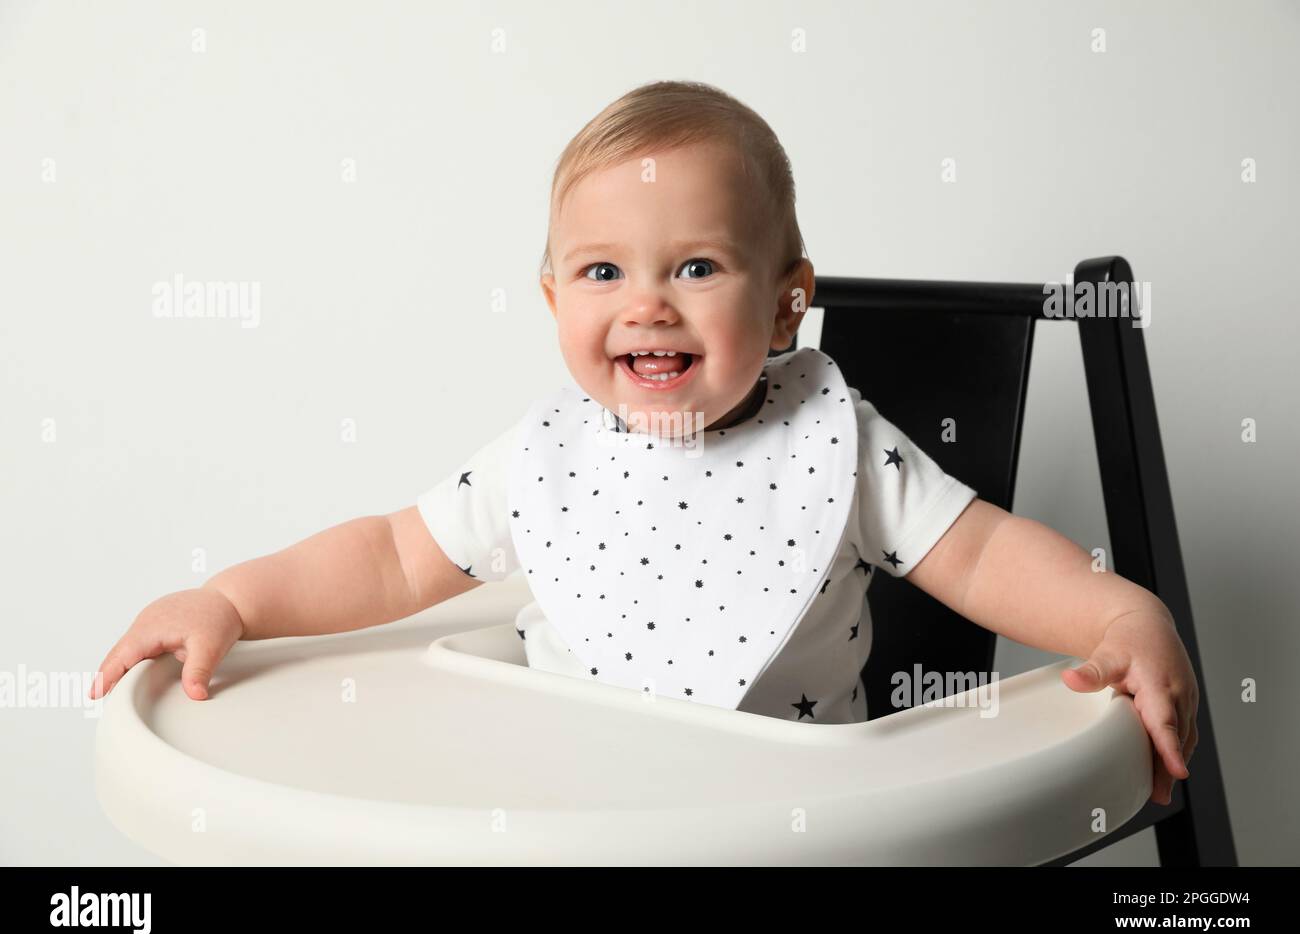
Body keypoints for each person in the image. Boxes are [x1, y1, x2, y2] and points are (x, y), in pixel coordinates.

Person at [89, 80, 1198, 807]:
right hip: (570, 815)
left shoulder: (837, 443)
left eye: (697, 267)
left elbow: (987, 556)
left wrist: (1118, 613)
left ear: (782, 306)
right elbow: (386, 556)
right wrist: (230, 600)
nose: (648, 304)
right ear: (552, 295)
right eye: (604, 270)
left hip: (797, 823)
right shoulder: (543, 457)